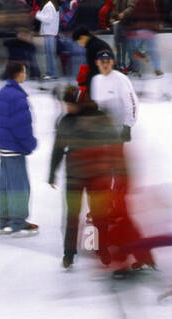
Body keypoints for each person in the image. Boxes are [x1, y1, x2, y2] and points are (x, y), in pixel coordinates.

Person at [47, 87, 121, 269]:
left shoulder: (100, 118)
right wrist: (52, 173)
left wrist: (116, 169)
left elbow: (114, 144)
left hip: (98, 176)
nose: (66, 108)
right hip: (75, 176)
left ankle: (101, 248)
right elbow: (58, 148)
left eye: (69, 105)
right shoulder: (64, 122)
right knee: (72, 216)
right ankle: (69, 253)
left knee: (99, 216)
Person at [0, 61, 39, 236]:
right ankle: (18, 223)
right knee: (20, 188)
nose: (25, 75)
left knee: (5, 187)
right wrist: (30, 144)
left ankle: (4, 222)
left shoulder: (2, 93)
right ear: (18, 74)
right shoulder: (18, 96)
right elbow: (22, 126)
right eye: (24, 72)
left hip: (3, 148)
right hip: (14, 148)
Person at [89, 49, 139, 140]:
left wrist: (127, 126)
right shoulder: (96, 80)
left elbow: (132, 103)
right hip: (100, 128)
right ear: (97, 62)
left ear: (113, 62)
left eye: (108, 61)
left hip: (118, 129)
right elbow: (95, 106)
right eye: (102, 61)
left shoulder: (120, 79)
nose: (105, 64)